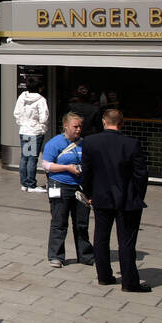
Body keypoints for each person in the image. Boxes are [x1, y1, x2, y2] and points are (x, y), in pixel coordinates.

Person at [81, 108, 150, 291]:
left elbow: (86, 172)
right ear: (122, 123)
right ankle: (129, 282)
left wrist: (88, 194)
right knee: (126, 241)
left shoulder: (90, 142)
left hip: (101, 197)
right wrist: (137, 195)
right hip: (126, 199)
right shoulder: (131, 143)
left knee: (101, 237)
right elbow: (141, 175)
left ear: (104, 121)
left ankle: (104, 276)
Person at [38, 113, 94, 269]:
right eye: (75, 126)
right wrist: (67, 168)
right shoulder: (54, 143)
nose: (78, 130)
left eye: (80, 127)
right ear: (66, 126)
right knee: (59, 222)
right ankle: (56, 256)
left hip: (80, 188)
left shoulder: (84, 144)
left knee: (81, 223)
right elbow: (47, 165)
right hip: (60, 186)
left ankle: (85, 255)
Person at [13, 78, 50, 193]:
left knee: (24, 157)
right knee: (32, 159)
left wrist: (23, 122)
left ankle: (24, 184)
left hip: (24, 130)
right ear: (39, 88)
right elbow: (44, 117)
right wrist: (38, 124)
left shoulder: (22, 97)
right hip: (35, 132)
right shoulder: (41, 100)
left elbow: (16, 113)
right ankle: (31, 185)